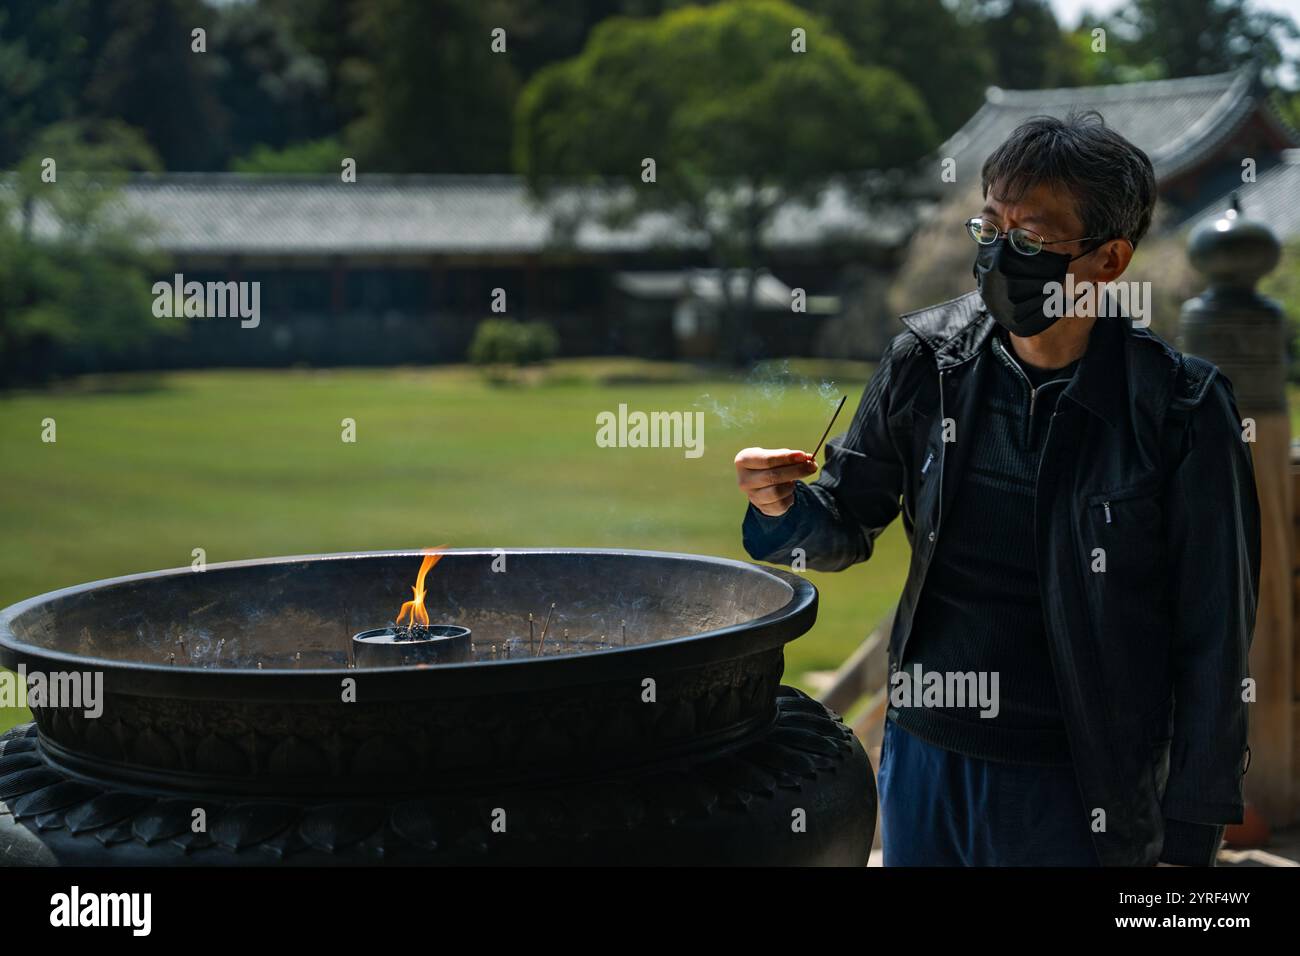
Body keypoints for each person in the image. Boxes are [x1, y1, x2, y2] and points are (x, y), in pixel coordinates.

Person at [735, 111, 1260, 867]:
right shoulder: (927, 361)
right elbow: (845, 523)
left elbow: (1215, 631)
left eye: (1030, 241)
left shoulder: (1178, 408)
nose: (998, 257)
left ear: (1109, 260)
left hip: (1082, 778)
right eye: (990, 230)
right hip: (927, 753)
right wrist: (779, 503)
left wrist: (1192, 830)